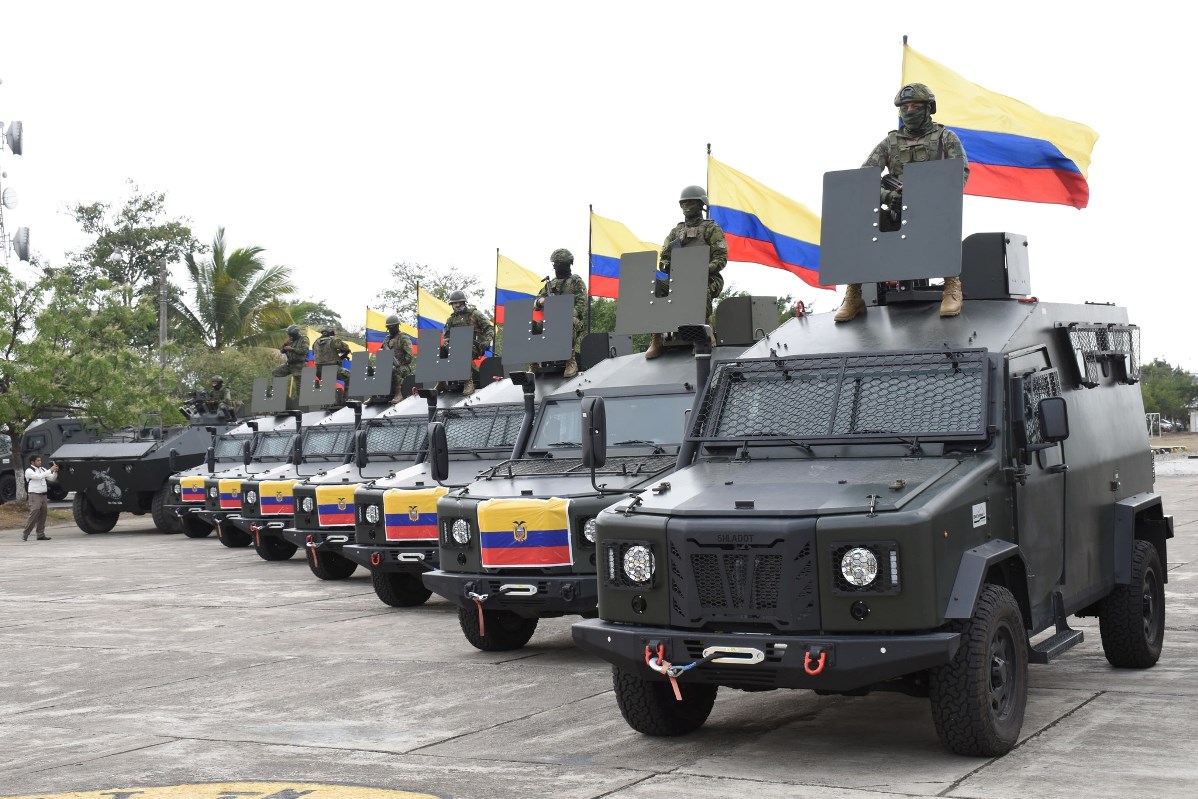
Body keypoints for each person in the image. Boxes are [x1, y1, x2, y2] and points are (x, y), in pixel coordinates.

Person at [836, 82, 971, 323]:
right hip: (897, 212)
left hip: (933, 211)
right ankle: (854, 294)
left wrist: (926, 193)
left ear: (928, 108)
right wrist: (889, 197)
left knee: (944, 220)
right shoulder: (890, 144)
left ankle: (952, 286)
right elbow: (863, 179)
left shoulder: (945, 138)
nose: (909, 111)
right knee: (859, 220)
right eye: (905, 107)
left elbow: (959, 175)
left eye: (915, 106)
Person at [646, 185, 728, 359]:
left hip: (708, 278)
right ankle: (657, 338)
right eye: (684, 202)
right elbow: (665, 257)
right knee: (656, 286)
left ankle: (704, 333)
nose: (687, 206)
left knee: (700, 289)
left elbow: (720, 259)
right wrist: (667, 266)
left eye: (691, 202)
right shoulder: (676, 231)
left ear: (701, 204)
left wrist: (701, 270)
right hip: (680, 278)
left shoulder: (711, 229)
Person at [534, 248, 587, 378]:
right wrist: (540, 302)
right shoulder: (550, 284)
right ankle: (534, 362)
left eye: (561, 264)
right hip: (551, 322)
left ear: (568, 265)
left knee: (568, 322)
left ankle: (571, 361)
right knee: (532, 325)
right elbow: (535, 302)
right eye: (556, 264)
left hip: (573, 322)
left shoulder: (575, 280)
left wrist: (565, 315)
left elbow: (582, 304)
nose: (557, 267)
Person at [444, 290, 495, 396]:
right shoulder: (450, 320)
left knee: (463, 350)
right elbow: (446, 337)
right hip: (456, 347)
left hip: (475, 346)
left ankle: (468, 382)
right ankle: (441, 381)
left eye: (459, 302)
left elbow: (489, 328)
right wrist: (447, 346)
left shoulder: (474, 314)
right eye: (454, 303)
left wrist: (487, 341)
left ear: (464, 302)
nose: (457, 305)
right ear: (451, 304)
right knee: (439, 351)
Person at [22, 455, 58, 541]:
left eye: (40, 460)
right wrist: (50, 470)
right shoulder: (29, 470)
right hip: (34, 495)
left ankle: (40, 534)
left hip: (44, 495)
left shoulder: (42, 470)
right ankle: (26, 533)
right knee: (34, 512)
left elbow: (52, 479)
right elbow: (38, 477)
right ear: (32, 462)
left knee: (43, 514)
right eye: (38, 461)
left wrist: (55, 471)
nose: (40, 462)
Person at [312, 326, 352, 401]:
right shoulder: (333, 340)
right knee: (349, 376)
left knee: (329, 386)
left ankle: (328, 400)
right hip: (332, 369)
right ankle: (346, 399)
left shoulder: (315, 342)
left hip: (319, 371)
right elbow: (346, 347)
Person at [383, 314, 416, 402]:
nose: (391, 329)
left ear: (397, 326)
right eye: (389, 327)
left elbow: (409, 357)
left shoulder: (403, 338)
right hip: (389, 365)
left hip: (403, 366)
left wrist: (399, 362)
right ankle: (376, 394)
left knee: (393, 369)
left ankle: (399, 393)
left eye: (392, 327)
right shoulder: (387, 340)